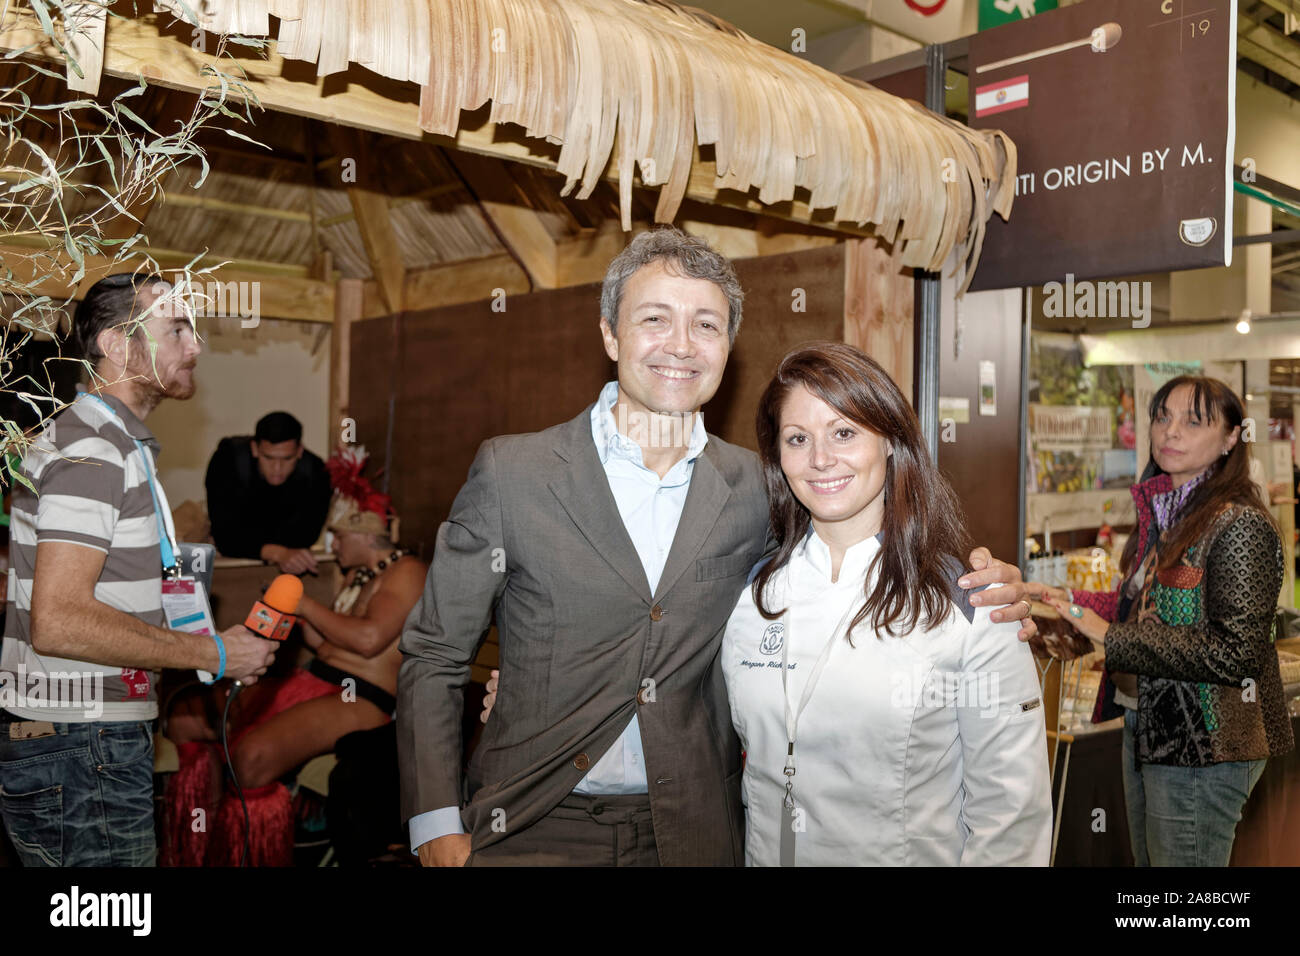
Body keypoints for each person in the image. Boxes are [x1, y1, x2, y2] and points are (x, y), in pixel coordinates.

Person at [398, 226, 1034, 867]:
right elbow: (433, 652)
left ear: (728, 347)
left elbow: (858, 561)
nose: (680, 345)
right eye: (654, 319)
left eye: (706, 324)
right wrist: (434, 824)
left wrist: (981, 582)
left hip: (697, 830)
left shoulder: (761, 490)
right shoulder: (514, 473)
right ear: (610, 334)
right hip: (533, 825)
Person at [721, 343, 1052, 865]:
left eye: (844, 433)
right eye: (798, 439)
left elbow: (1011, 813)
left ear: (892, 441)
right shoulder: (749, 596)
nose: (821, 459)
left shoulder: (972, 604)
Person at [0, 273, 278, 867]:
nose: (195, 345)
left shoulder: (103, 441)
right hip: (84, 742)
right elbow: (59, 621)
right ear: (119, 347)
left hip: (76, 739)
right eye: (176, 328)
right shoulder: (92, 452)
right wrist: (214, 655)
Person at [1039, 375, 1293, 866]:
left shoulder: (1239, 523)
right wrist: (1063, 599)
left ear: (1230, 439)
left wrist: (1108, 636)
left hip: (1206, 740)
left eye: (1193, 421)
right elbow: (1140, 607)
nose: (1170, 432)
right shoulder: (1166, 511)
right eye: (1162, 417)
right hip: (1148, 723)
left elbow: (1234, 652)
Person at [163, 445, 426, 866]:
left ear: (361, 533)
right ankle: (199, 846)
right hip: (320, 676)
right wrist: (290, 617)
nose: (334, 544)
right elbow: (330, 646)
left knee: (249, 762)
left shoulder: (408, 570)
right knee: (186, 719)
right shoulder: (360, 576)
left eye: (338, 536)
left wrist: (303, 604)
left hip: (363, 698)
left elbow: (370, 640)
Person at [205, 411, 332, 574]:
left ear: (300, 451)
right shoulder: (228, 462)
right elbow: (225, 536)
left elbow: (305, 536)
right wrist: (278, 553)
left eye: (287, 459)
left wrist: (279, 552)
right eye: (269, 458)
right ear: (255, 448)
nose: (277, 468)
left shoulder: (316, 472)